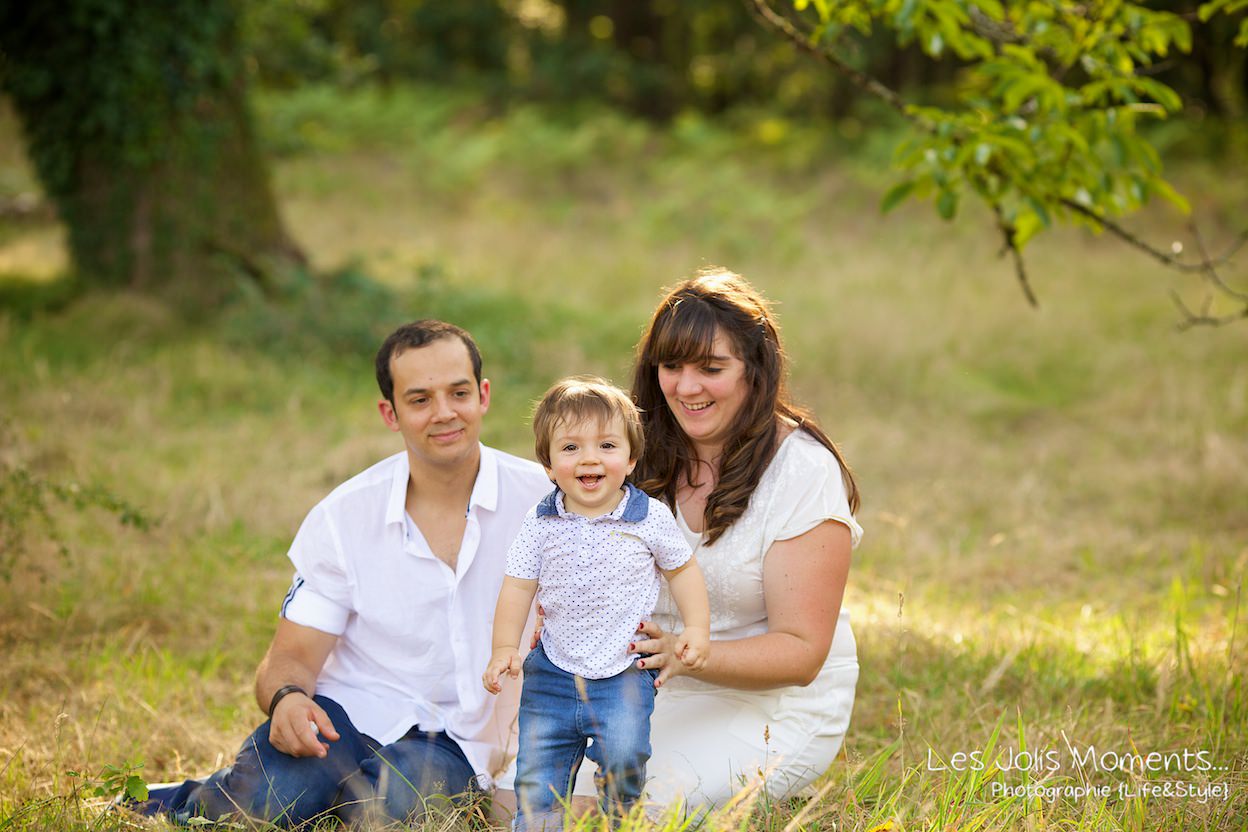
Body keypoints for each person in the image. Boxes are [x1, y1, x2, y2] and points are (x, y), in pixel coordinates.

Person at [137, 320, 552, 826]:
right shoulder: (344, 516)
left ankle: (332, 805)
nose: (444, 413)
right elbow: (287, 658)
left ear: (483, 395)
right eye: (420, 400)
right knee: (264, 805)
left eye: (458, 393)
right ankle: (185, 799)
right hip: (347, 720)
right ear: (390, 413)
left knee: (397, 811)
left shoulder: (544, 504)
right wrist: (288, 699)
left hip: (458, 742)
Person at [497, 269, 862, 817]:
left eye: (711, 368)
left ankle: (768, 779)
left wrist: (685, 654)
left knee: (632, 812)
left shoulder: (801, 470)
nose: (687, 388)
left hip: (771, 700)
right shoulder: (630, 451)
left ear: (754, 371)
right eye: (672, 367)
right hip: (640, 685)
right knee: (512, 797)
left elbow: (802, 653)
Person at [483, 377, 710, 831]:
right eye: (570, 448)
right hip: (552, 671)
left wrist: (697, 630)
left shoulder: (648, 519)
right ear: (548, 465)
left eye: (606, 445)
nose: (589, 458)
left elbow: (683, 571)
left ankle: (618, 820)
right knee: (538, 768)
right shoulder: (541, 521)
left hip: (624, 671)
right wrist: (505, 647)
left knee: (626, 755)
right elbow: (518, 586)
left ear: (630, 458)